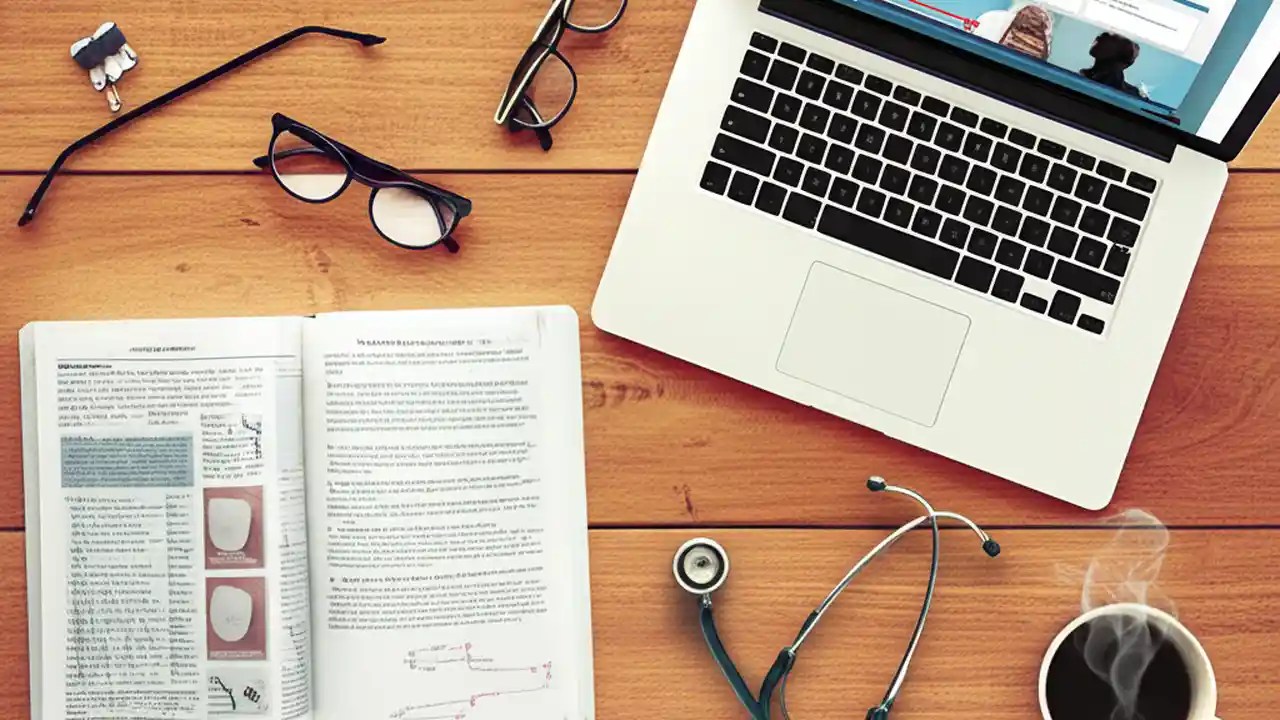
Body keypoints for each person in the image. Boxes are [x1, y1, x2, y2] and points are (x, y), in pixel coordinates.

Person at [1080, 32, 1147, 98]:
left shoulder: (1131, 96)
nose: (1100, 37)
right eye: (1104, 35)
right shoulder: (1084, 77)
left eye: (1112, 38)